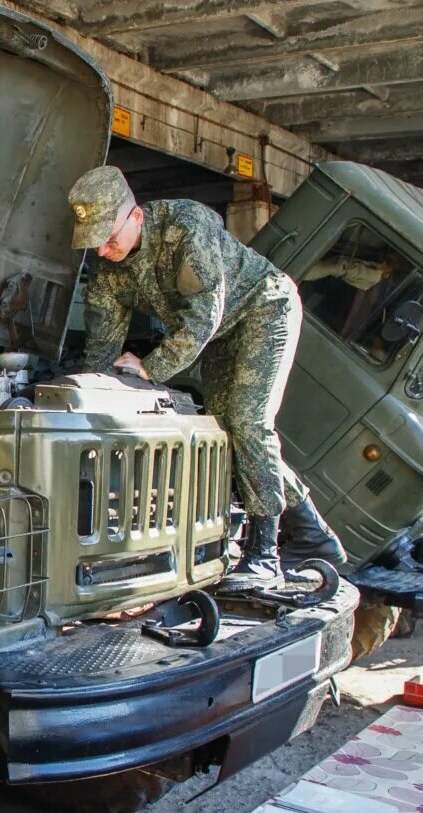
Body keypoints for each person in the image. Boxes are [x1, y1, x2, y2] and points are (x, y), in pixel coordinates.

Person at [67, 165, 344, 590]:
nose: (102, 250)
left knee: (249, 421)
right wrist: (91, 394)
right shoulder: (110, 269)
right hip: (219, 335)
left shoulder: (185, 225)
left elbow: (204, 315)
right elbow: (102, 346)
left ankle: (264, 554)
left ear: (135, 217)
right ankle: (312, 534)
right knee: (228, 432)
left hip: (264, 308)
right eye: (94, 243)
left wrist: (150, 369)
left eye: (109, 238)